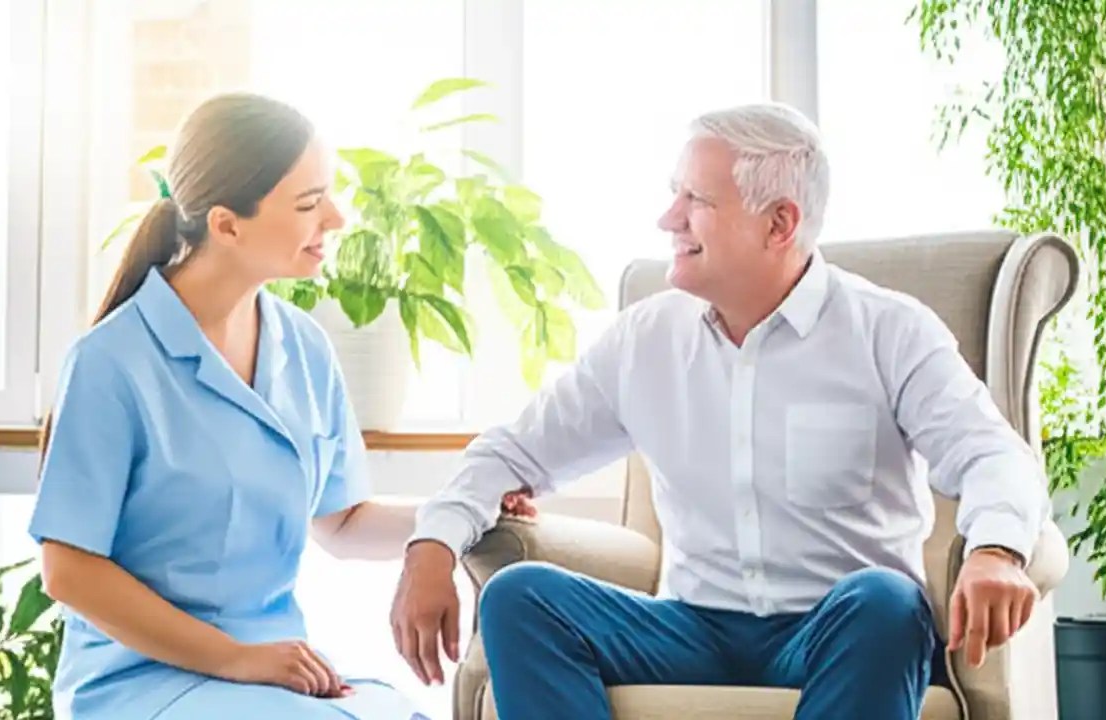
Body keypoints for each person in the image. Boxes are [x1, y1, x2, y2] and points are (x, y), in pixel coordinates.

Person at [390, 102, 1050, 720]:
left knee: (887, 603)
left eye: (695, 200)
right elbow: (512, 451)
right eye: (674, 193)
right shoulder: (645, 340)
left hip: (838, 630)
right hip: (689, 627)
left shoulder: (891, 331)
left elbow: (993, 454)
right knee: (519, 596)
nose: (667, 218)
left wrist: (996, 549)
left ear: (780, 222)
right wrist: (432, 544)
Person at [28, 92, 531, 720]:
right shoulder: (111, 363)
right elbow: (68, 570)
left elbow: (342, 523)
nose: (338, 218)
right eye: (308, 203)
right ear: (226, 224)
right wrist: (236, 658)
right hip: (141, 681)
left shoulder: (304, 345)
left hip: (273, 674)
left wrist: (461, 509)